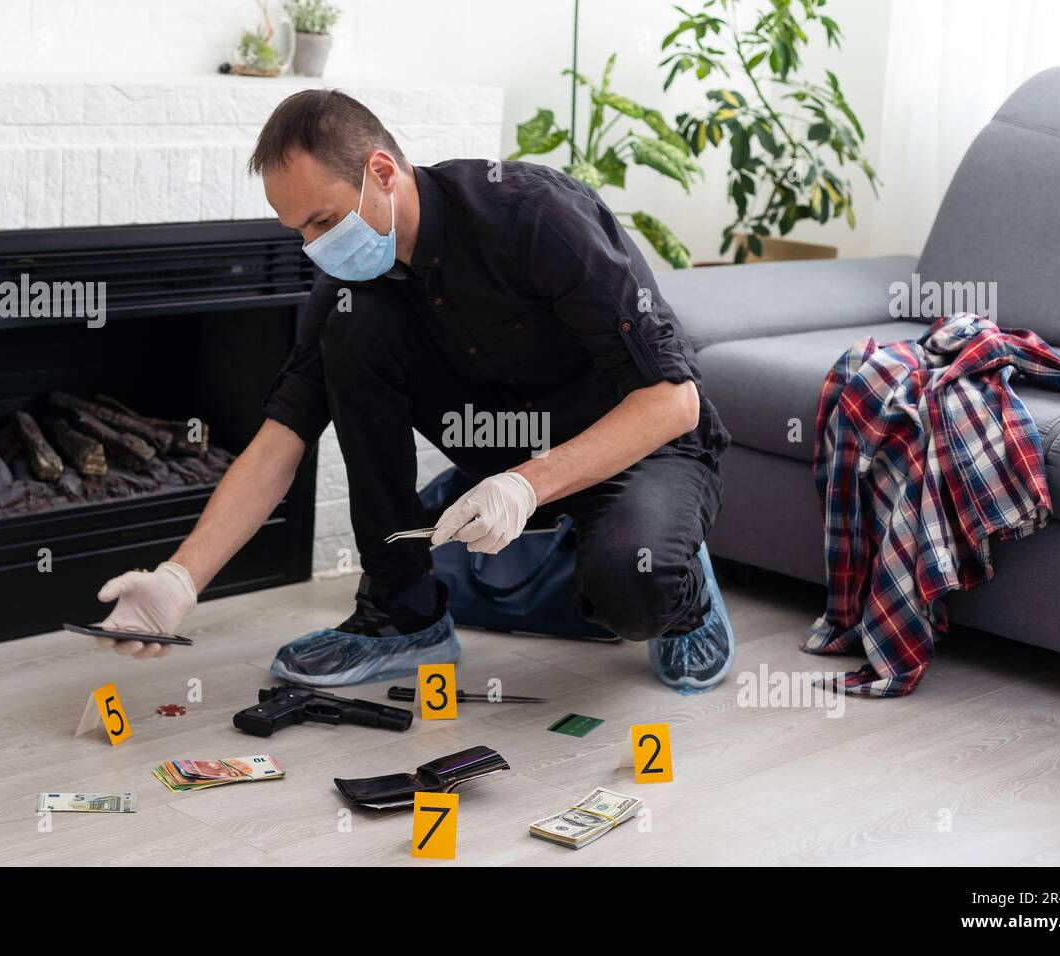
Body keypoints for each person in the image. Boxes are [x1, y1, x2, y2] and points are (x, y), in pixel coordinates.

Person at [94, 89, 735, 693]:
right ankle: (405, 615)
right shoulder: (353, 284)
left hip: (638, 447)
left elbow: (673, 402)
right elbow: (278, 444)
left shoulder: (534, 216)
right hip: (508, 459)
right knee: (351, 324)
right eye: (299, 232)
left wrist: (527, 485)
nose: (313, 248)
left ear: (381, 171)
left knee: (634, 585)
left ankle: (687, 598)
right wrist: (180, 578)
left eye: (322, 220)